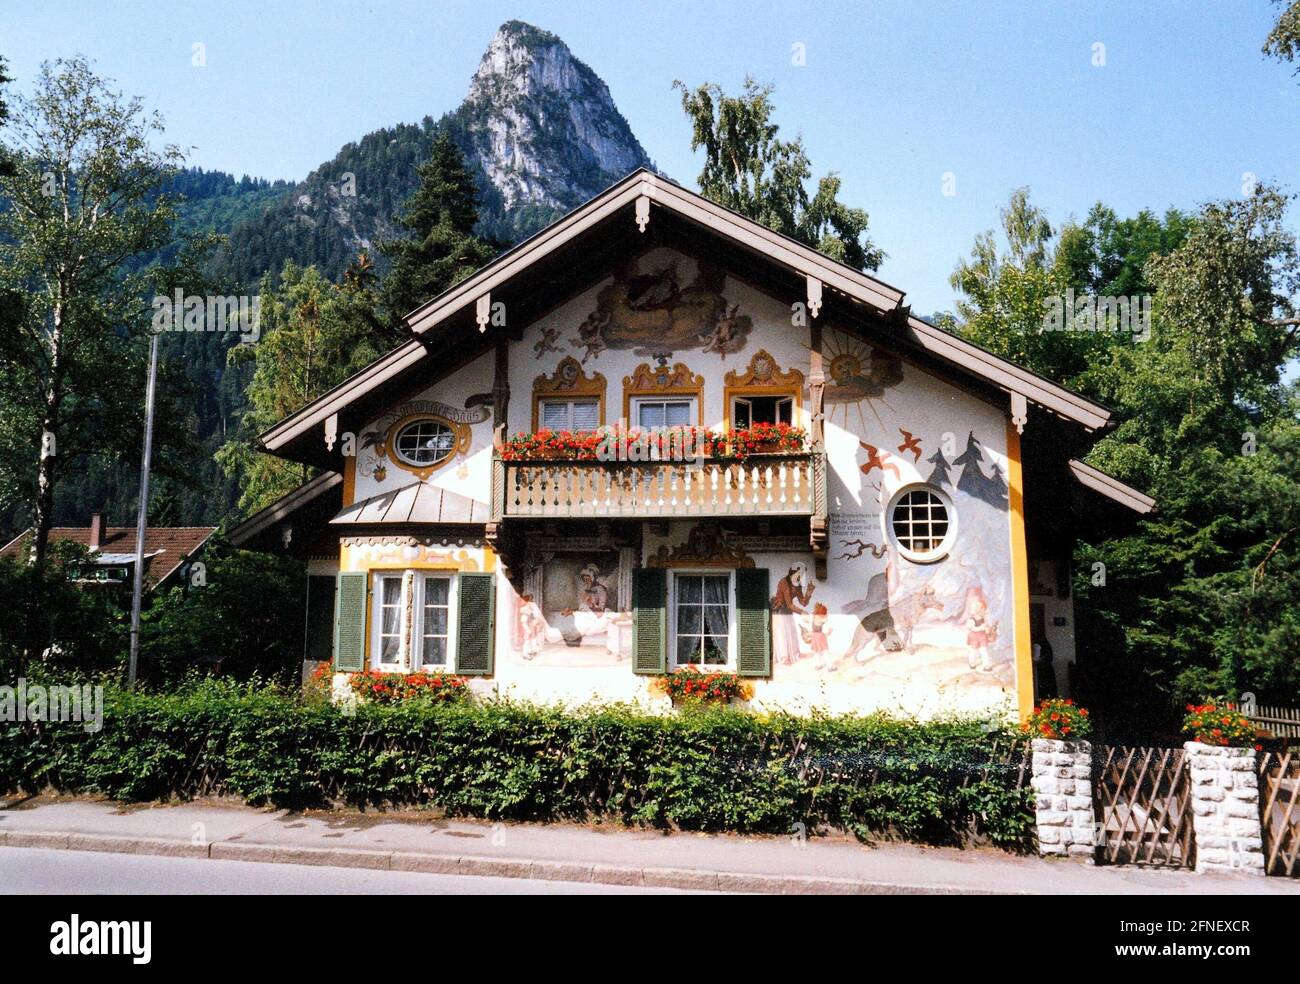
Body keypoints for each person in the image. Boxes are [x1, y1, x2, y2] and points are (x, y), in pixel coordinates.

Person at [770, 563, 814, 665]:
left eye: (802, 574)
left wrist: (809, 592)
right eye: (799, 574)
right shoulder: (784, 582)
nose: (801, 576)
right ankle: (784, 657)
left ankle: (796, 653)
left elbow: (803, 602)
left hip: (788, 611)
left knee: (792, 632)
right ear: (793, 572)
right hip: (779, 610)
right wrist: (802, 612)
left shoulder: (797, 585)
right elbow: (789, 604)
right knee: (782, 633)